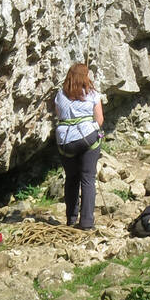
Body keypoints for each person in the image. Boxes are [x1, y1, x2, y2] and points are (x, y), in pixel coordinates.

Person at [53, 63, 104, 230]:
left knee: (71, 178)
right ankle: (87, 223)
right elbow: (99, 120)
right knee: (88, 178)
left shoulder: (60, 95)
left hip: (65, 142)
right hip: (87, 138)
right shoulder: (92, 94)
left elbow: (59, 115)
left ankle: (71, 219)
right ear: (85, 77)